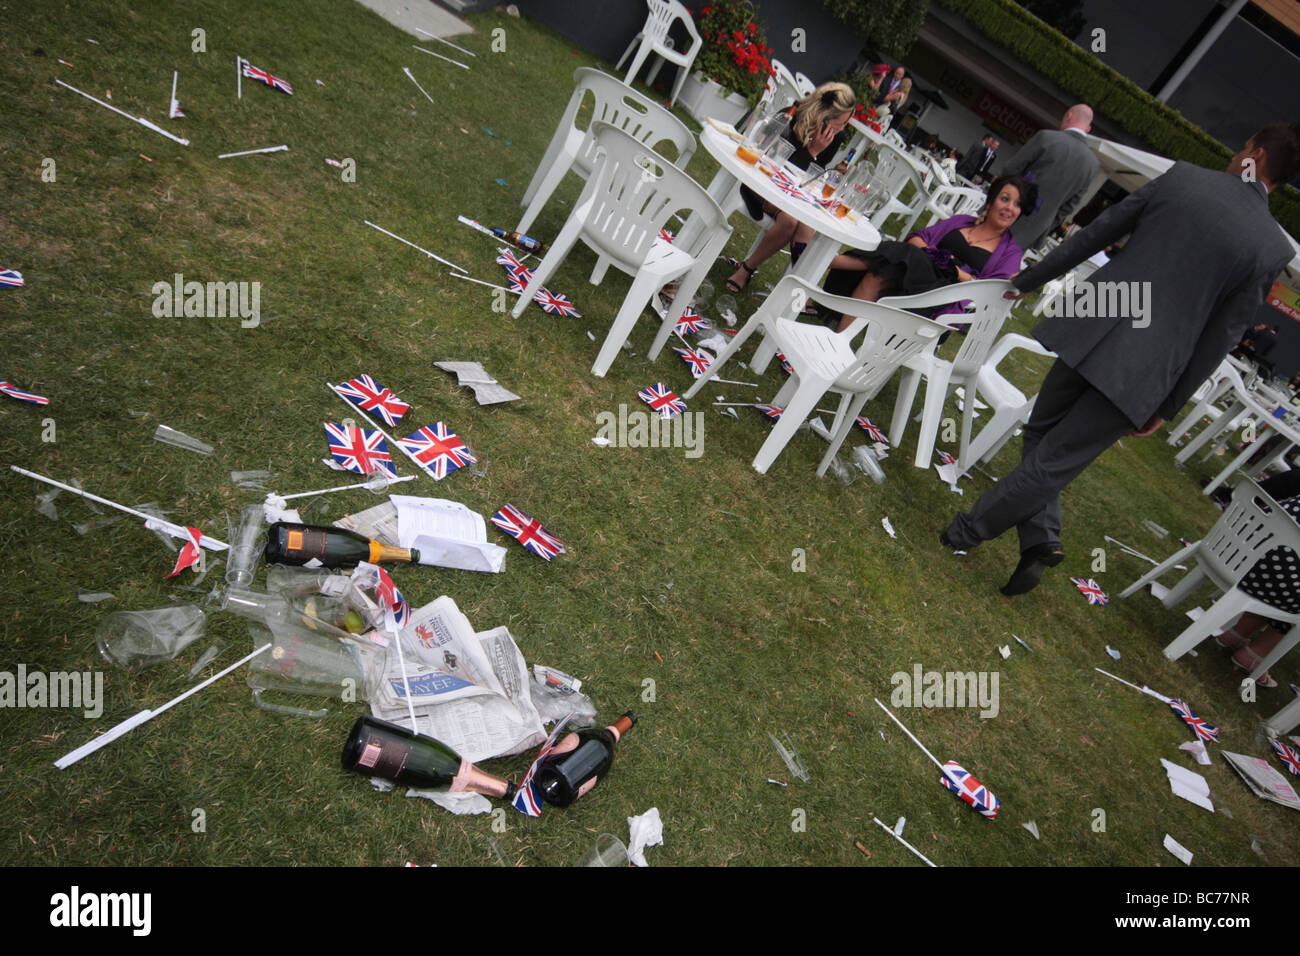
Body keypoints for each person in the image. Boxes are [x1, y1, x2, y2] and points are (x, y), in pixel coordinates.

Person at [940, 122, 1300, 596]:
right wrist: (1168, 405)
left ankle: (977, 531)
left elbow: (1094, 235)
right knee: (1052, 453)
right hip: (1148, 367)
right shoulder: (1272, 247)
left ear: (1252, 151)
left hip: (1097, 323)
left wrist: (1027, 280)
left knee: (1046, 443)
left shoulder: (1183, 177)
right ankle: (1034, 538)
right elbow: (1222, 336)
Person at [821, 174, 1036, 330]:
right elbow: (917, 237)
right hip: (910, 276)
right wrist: (934, 257)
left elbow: (993, 292)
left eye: (1017, 204)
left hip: (941, 298)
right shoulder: (962, 221)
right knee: (883, 273)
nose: (1009, 208)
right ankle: (839, 341)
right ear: (990, 202)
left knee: (906, 257)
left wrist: (954, 270)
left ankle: (831, 261)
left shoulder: (1011, 252)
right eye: (1005, 199)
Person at [726, 82, 856, 293]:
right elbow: (773, 160)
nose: (843, 128)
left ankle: (799, 291)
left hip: (791, 193)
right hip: (761, 182)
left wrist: (817, 155)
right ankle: (747, 270)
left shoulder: (835, 136)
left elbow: (813, 174)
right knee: (790, 222)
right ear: (824, 116)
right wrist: (813, 149)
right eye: (840, 122)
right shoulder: (791, 116)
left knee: (806, 226)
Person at [1212, 472, 1300, 687]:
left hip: (1241, 552)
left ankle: (1237, 633)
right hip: (1270, 578)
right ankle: (1255, 653)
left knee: (1290, 572)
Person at [1001, 104, 1100, 252]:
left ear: (1069, 116)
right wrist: (1046, 223)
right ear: (1088, 129)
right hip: (1035, 231)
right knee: (998, 272)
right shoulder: (1092, 164)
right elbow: (1070, 206)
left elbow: (1011, 170)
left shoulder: (1046, 137)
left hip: (1003, 213)